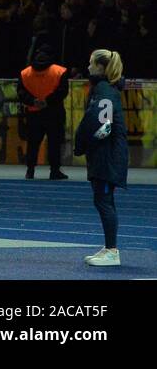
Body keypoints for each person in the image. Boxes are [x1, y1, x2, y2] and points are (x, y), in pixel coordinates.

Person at [74, 49, 128, 267]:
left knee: (104, 202)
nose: (87, 67)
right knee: (103, 201)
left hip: (107, 157)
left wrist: (83, 143)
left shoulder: (104, 90)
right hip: (106, 155)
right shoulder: (104, 89)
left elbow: (101, 124)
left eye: (91, 64)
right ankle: (109, 248)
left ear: (101, 67)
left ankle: (112, 251)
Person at [18, 45, 69, 180]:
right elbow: (62, 92)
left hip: (34, 112)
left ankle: (30, 170)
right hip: (54, 112)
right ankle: (54, 171)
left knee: (33, 143)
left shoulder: (25, 73)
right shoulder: (59, 71)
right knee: (54, 142)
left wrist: (33, 101)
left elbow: (21, 92)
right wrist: (47, 101)